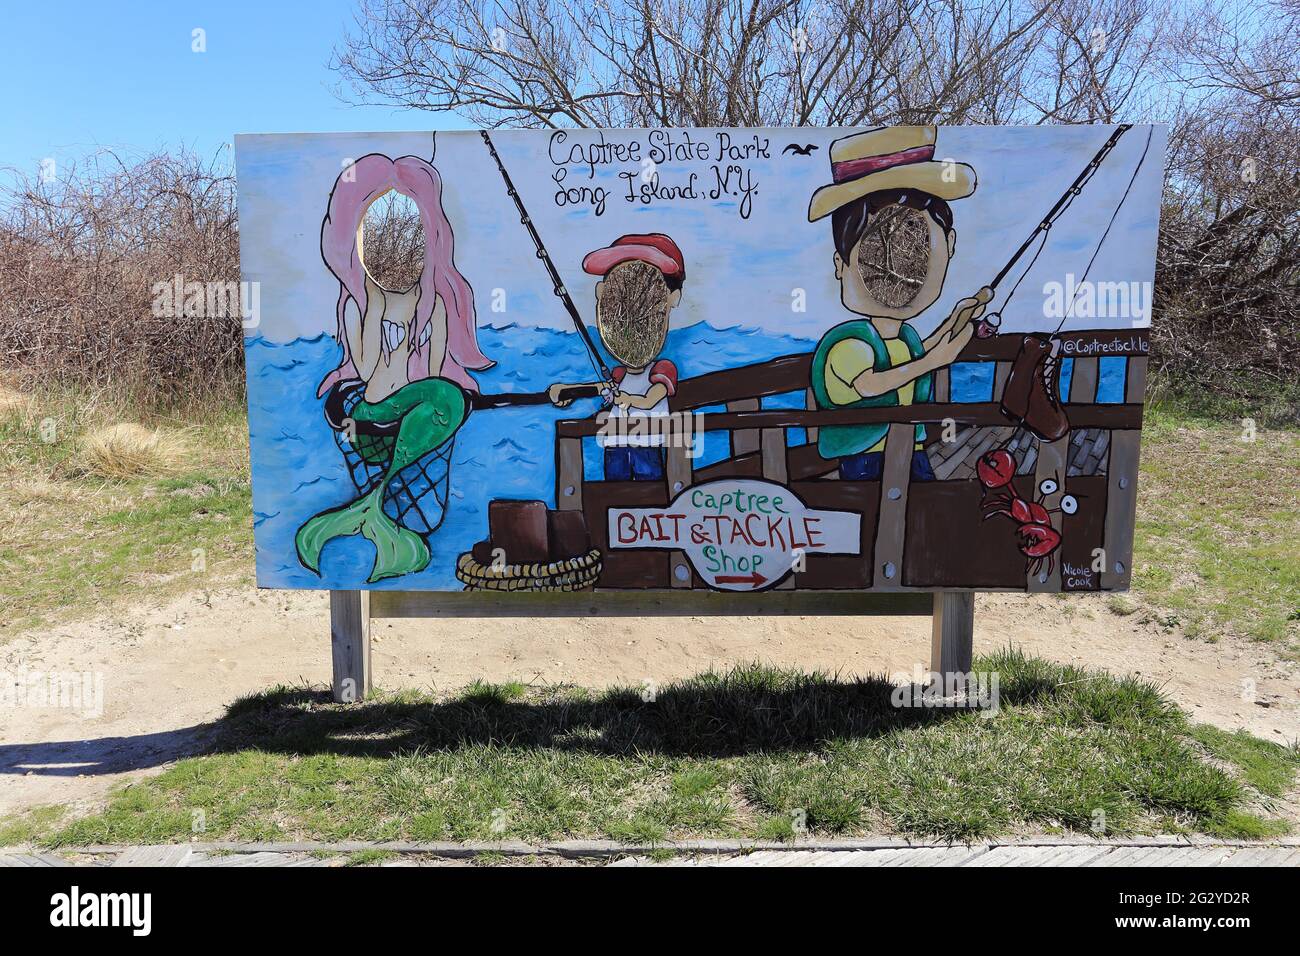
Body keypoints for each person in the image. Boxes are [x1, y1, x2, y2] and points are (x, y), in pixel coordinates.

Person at [806, 127, 993, 481]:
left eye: (917, 250)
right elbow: (868, 385)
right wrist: (934, 363)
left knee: (926, 503)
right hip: (865, 460)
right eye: (874, 256)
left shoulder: (904, 338)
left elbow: (922, 351)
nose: (897, 273)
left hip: (909, 447)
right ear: (840, 265)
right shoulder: (850, 344)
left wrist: (957, 319)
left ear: (950, 246)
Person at [548, 233, 685, 481]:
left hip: (646, 442)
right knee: (614, 486)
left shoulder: (662, 369)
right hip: (615, 443)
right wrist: (569, 390)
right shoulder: (620, 374)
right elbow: (603, 388)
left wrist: (629, 399)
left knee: (648, 486)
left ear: (672, 299)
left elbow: (651, 399)